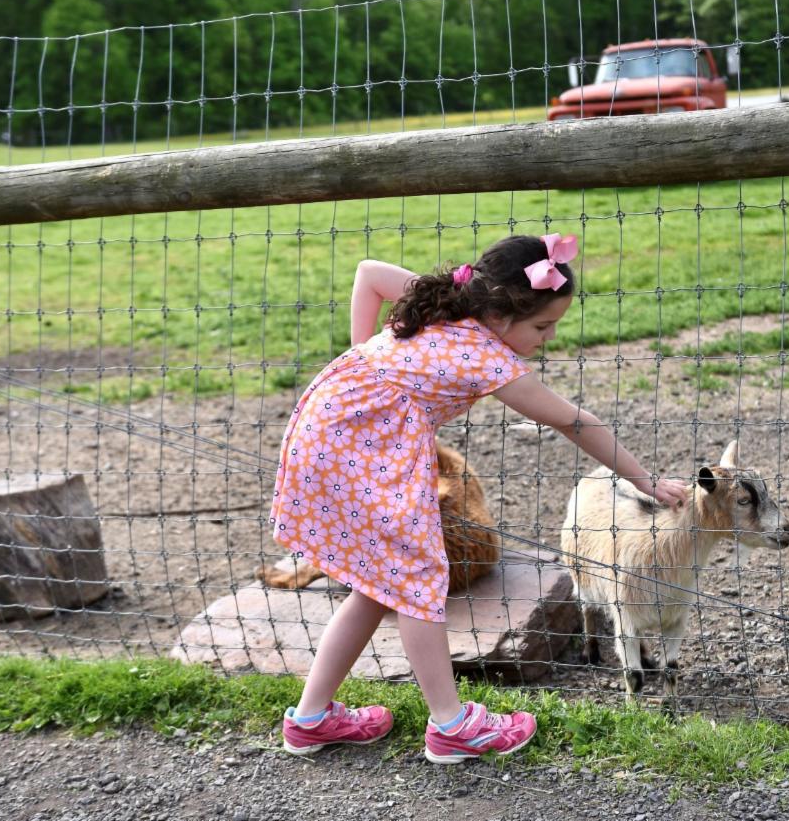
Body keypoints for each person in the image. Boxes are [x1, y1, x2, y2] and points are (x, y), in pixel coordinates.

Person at [270, 233, 687, 764]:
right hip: (361, 446)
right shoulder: (489, 359)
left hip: (334, 428)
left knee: (380, 585)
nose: (550, 336)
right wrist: (647, 481)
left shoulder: (451, 298)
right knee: (420, 580)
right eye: (542, 325)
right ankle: (450, 726)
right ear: (503, 312)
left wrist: (361, 358)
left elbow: (368, 273)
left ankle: (310, 718)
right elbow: (575, 421)